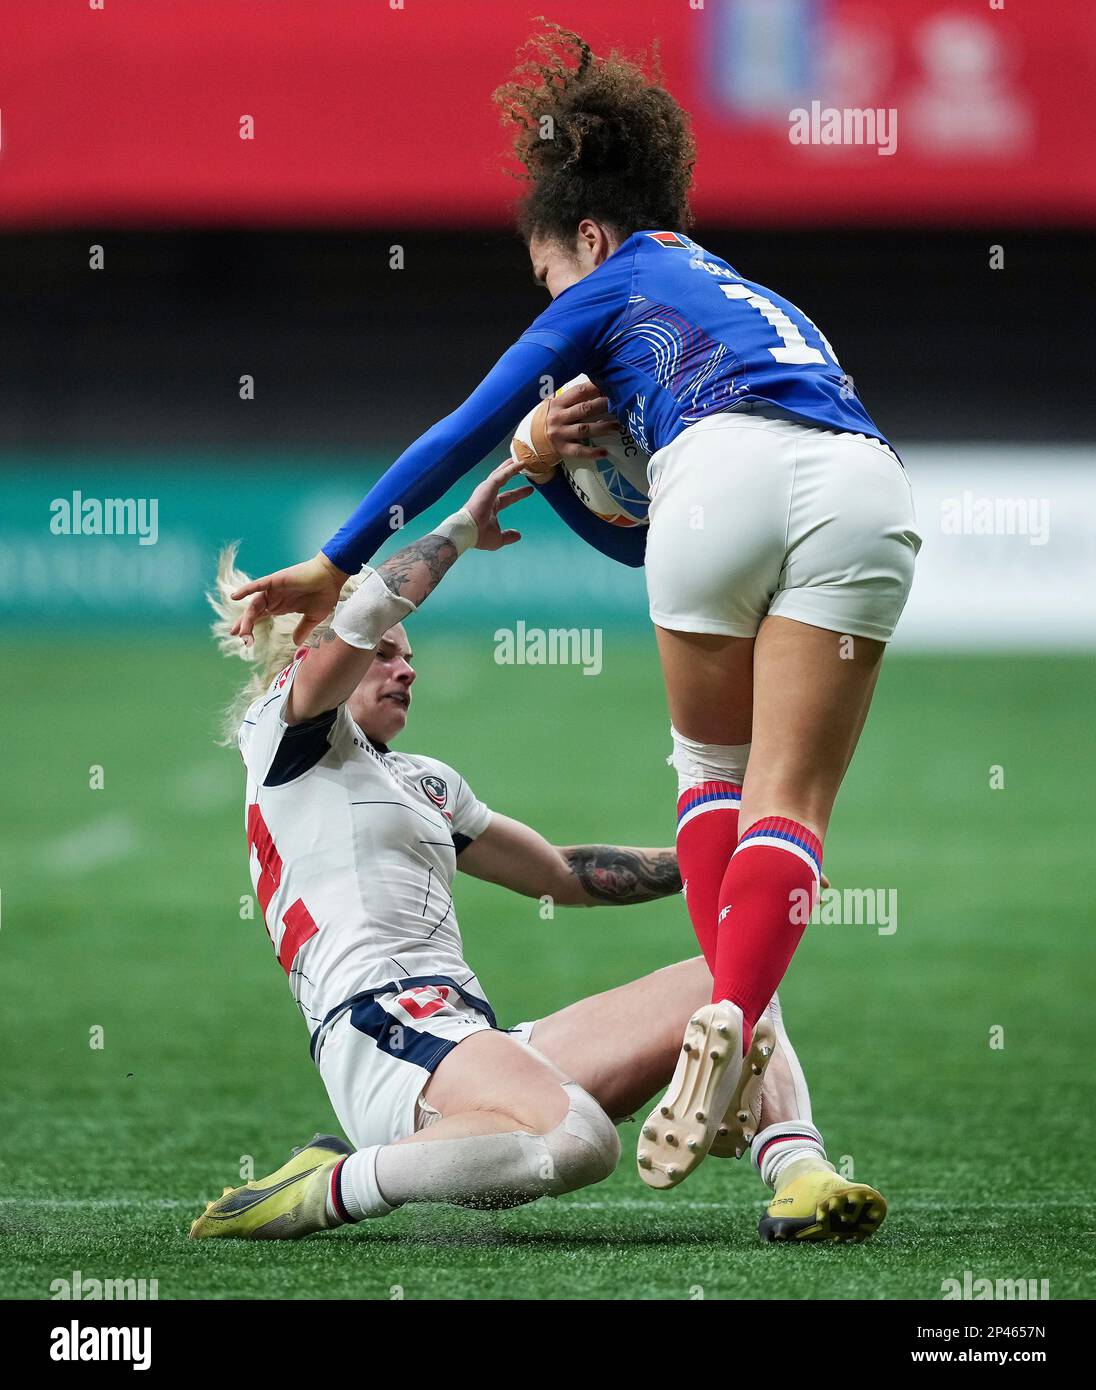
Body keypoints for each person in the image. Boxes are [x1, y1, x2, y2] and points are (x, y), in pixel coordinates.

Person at [223, 23, 921, 1191]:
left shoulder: (613, 280)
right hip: (869, 479)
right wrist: (550, 478)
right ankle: (777, 1113)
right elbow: (651, 539)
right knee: (788, 809)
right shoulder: (748, 297)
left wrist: (338, 556)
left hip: (718, 482)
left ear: (585, 238)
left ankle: (744, 1046)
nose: (554, 295)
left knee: (714, 776)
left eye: (550, 273)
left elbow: (467, 433)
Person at [191, 459, 886, 1243]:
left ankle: (800, 1175)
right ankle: (334, 1183)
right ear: (313, 660)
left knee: (732, 974)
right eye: (386, 654)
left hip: (468, 1034)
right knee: (580, 1142)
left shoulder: (424, 782)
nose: (405, 665)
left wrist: (735, 866)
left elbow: (564, 874)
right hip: (380, 1031)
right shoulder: (285, 739)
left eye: (406, 653)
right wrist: (456, 531)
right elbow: (354, 621)